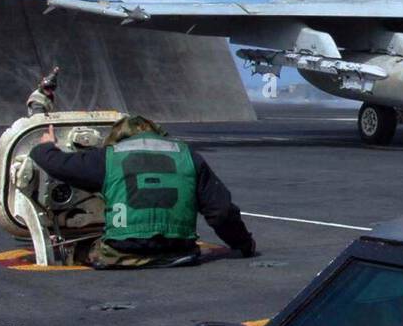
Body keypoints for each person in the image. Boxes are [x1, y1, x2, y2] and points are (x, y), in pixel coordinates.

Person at [28, 114, 257, 268]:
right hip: (178, 251)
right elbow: (222, 211)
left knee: (74, 250)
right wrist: (244, 244)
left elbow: (58, 165)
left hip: (122, 252)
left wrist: (46, 145)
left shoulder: (109, 157)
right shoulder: (189, 156)